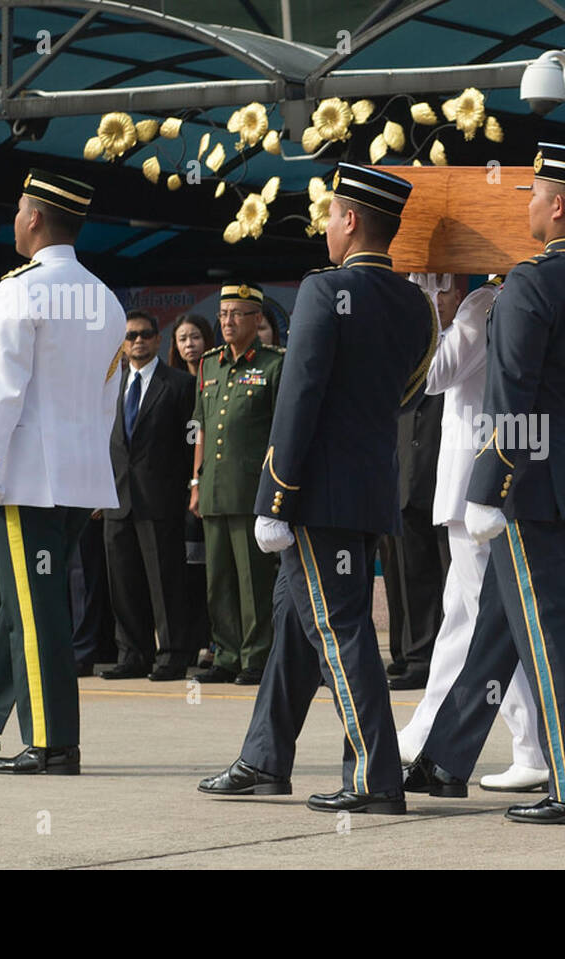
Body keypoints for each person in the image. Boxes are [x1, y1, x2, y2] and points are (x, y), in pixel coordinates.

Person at [198, 163, 435, 815]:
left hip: (316, 495)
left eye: (331, 215)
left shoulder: (323, 291)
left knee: (337, 629)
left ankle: (375, 776)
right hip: (367, 488)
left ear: (352, 220)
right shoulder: (415, 302)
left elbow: (298, 398)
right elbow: (409, 391)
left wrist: (275, 497)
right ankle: (265, 757)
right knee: (294, 627)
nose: (325, 226)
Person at [403, 142, 565, 826]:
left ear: (558, 205)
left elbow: (514, 394)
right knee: (501, 627)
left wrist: (490, 483)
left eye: (532, 194)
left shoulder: (530, 282)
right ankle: (446, 755)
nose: (524, 206)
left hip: (523, 482)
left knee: (549, 634)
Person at [0, 168, 125, 773]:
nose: (14, 219)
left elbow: (4, 388)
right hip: (77, 476)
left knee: (38, 611)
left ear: (35, 217)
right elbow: (106, 398)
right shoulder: (106, 297)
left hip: (30, 476)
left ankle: (53, 741)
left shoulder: (20, 288)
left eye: (18, 210)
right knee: (25, 603)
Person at [395, 276, 549, 792]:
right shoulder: (494, 302)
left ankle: (532, 747)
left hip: (473, 481)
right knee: (460, 621)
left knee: (487, 623)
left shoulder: (481, 305)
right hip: (472, 481)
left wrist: (431, 311)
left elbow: (432, 377)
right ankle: (426, 729)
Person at [188, 283, 284, 685]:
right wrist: (195, 480)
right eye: (223, 314)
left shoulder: (275, 364)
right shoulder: (209, 364)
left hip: (250, 489)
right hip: (213, 488)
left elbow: (282, 431)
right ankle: (225, 655)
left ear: (257, 318)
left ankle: (256, 657)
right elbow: (200, 426)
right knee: (220, 580)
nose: (227, 321)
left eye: (237, 314)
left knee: (253, 580)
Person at [101, 310, 197, 679]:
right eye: (131, 336)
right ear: (122, 345)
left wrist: (192, 486)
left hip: (161, 499)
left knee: (164, 580)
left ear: (159, 339)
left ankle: (173, 654)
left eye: (145, 334)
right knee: (123, 582)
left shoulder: (178, 385)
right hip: (117, 499)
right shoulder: (110, 383)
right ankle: (133, 654)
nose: (138, 341)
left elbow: (192, 442)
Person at [381, 274, 457, 690]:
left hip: (446, 476)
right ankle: (413, 655)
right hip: (406, 474)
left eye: (442, 289)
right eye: (426, 290)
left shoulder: (464, 339)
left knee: (451, 575)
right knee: (407, 575)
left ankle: (443, 657)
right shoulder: (403, 341)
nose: (435, 299)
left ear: (458, 294)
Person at [168, 312, 214, 666]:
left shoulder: (216, 378)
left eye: (195, 337)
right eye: (183, 338)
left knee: (214, 571)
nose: (189, 344)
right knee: (190, 571)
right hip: (178, 493)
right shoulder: (170, 383)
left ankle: (214, 641)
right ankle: (194, 639)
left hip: (211, 486)